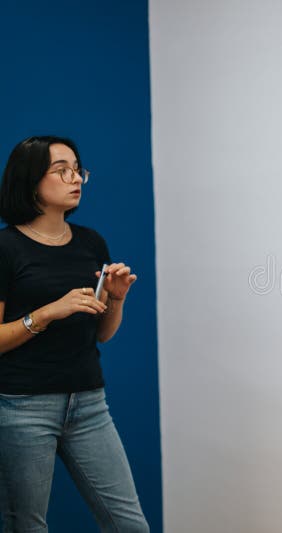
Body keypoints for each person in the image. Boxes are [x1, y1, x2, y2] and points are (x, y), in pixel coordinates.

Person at [0, 136, 148, 532]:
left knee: (130, 525)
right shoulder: (6, 247)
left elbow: (102, 335)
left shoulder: (90, 242)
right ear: (32, 181)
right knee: (27, 526)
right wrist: (47, 313)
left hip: (88, 405)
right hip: (21, 409)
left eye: (78, 169)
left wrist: (115, 300)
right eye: (61, 170)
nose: (75, 178)